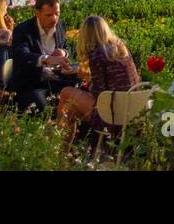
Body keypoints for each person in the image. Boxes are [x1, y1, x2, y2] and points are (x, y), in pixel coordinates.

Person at [56, 16, 140, 148]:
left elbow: (99, 93)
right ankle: (67, 150)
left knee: (66, 93)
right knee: (71, 108)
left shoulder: (97, 54)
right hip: (131, 108)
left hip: (111, 112)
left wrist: (89, 81)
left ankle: (60, 149)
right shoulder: (120, 47)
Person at [9, 0, 70, 112]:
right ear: (37, 13)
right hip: (32, 82)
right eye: (49, 15)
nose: (54, 19)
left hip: (57, 78)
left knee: (79, 94)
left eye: (57, 14)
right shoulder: (23, 30)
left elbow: (67, 47)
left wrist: (63, 52)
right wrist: (46, 59)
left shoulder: (60, 26)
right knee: (39, 107)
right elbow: (21, 56)